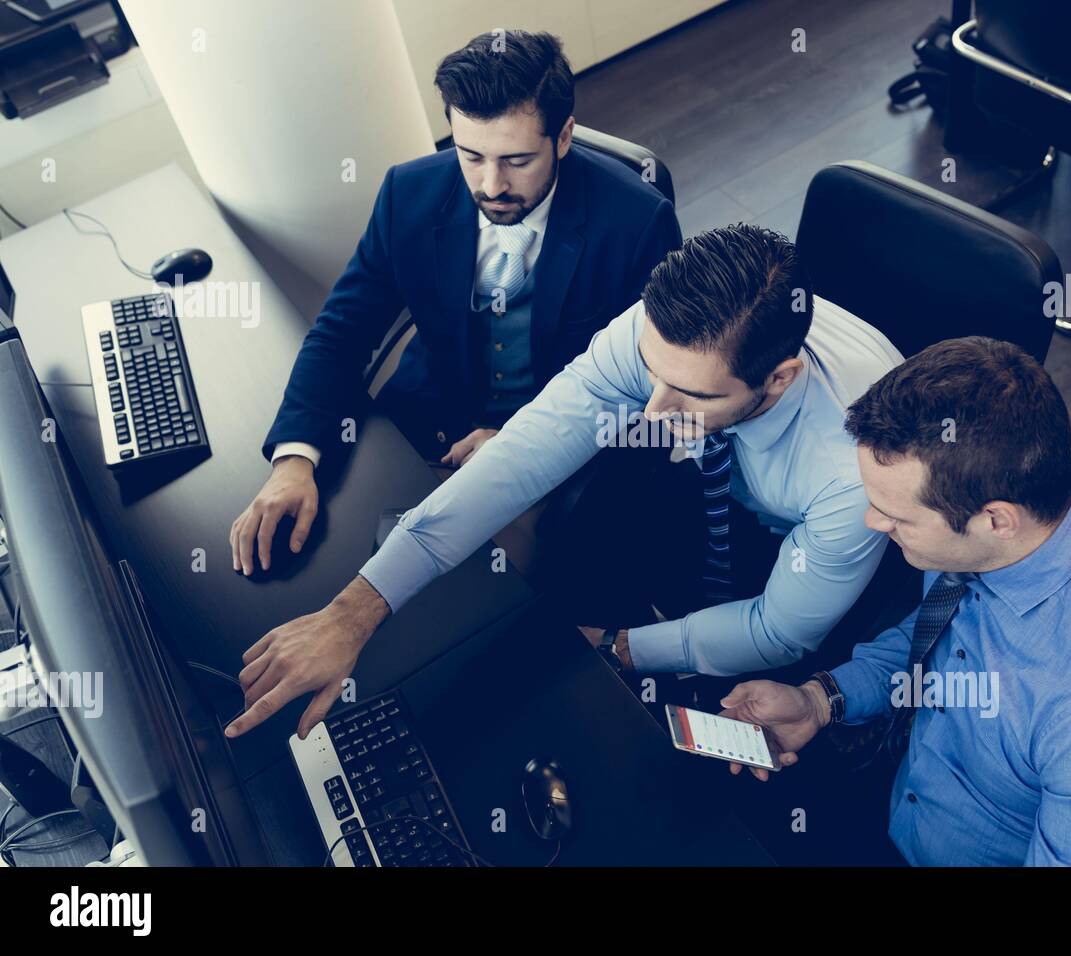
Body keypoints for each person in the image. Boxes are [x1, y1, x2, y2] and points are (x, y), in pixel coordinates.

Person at [224, 224, 904, 740]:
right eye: (651, 373)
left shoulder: (852, 470)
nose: (652, 413)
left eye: (689, 395)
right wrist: (354, 611)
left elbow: (780, 630)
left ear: (778, 378)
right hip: (708, 496)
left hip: (812, 552)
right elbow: (519, 457)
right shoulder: (661, 337)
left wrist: (619, 646)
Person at [721, 337, 1071, 866]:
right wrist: (822, 700)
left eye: (897, 515)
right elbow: (941, 633)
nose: (874, 522)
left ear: (996, 520)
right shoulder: (1016, 494)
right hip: (896, 787)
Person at [230, 29, 680, 574]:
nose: (491, 185)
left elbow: (652, 390)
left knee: (460, 611)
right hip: (418, 431)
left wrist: (523, 446)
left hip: (549, 461)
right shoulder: (408, 193)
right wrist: (293, 460)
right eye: (471, 156)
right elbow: (341, 331)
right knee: (316, 561)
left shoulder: (636, 222)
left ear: (563, 136)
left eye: (517, 160)